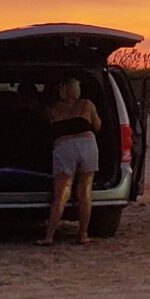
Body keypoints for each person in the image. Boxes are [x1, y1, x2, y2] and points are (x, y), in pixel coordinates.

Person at [38, 76, 101, 246]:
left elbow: (45, 125)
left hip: (64, 147)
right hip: (87, 144)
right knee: (85, 192)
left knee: (61, 194)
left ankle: (49, 236)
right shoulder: (87, 104)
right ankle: (83, 235)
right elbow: (97, 125)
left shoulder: (53, 109)